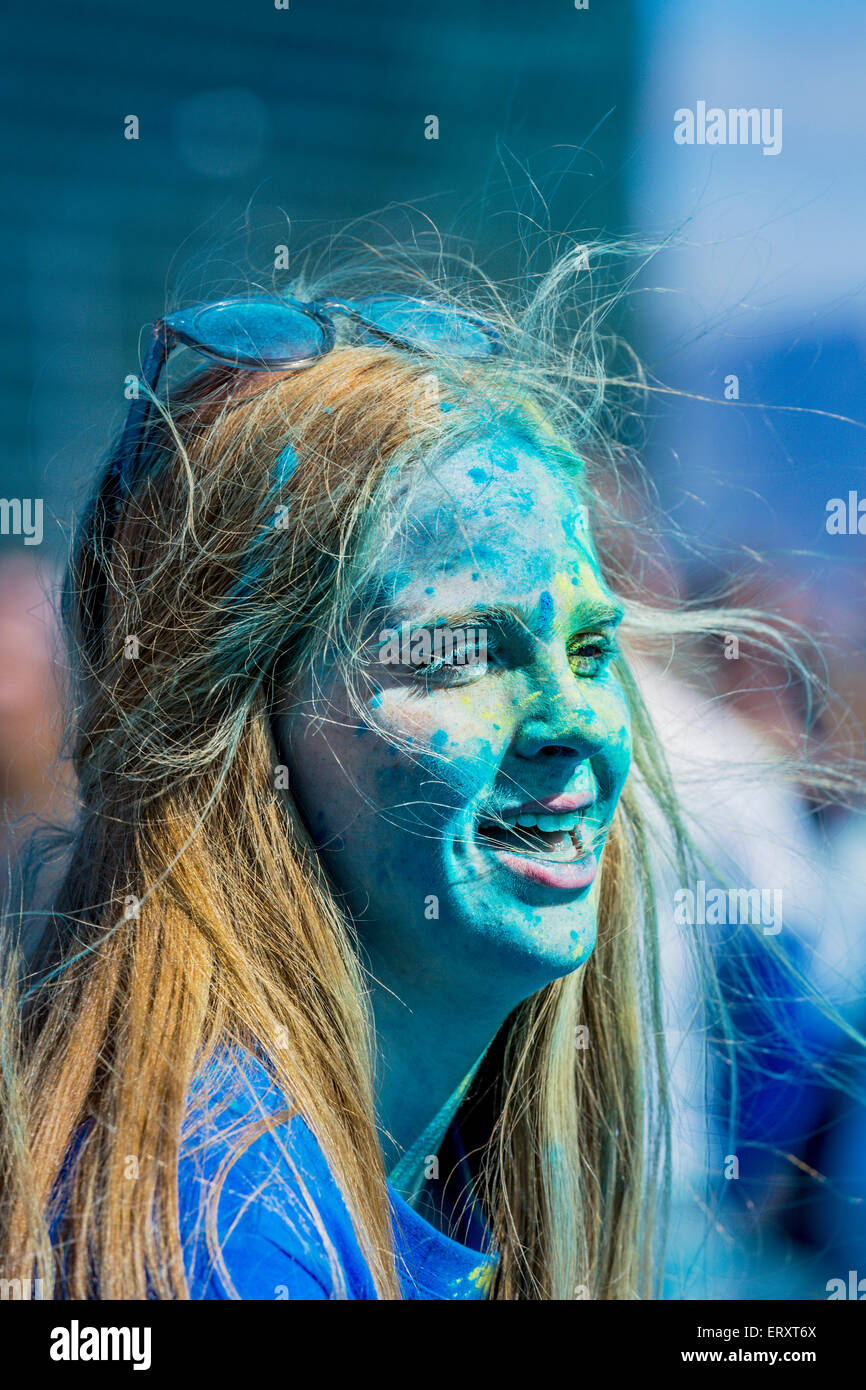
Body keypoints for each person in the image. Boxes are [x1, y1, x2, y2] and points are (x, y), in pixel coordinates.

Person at [0, 243, 858, 1300]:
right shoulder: (218, 1240)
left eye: (590, 648)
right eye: (456, 653)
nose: (571, 721)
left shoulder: (425, 1184)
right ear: (240, 724)